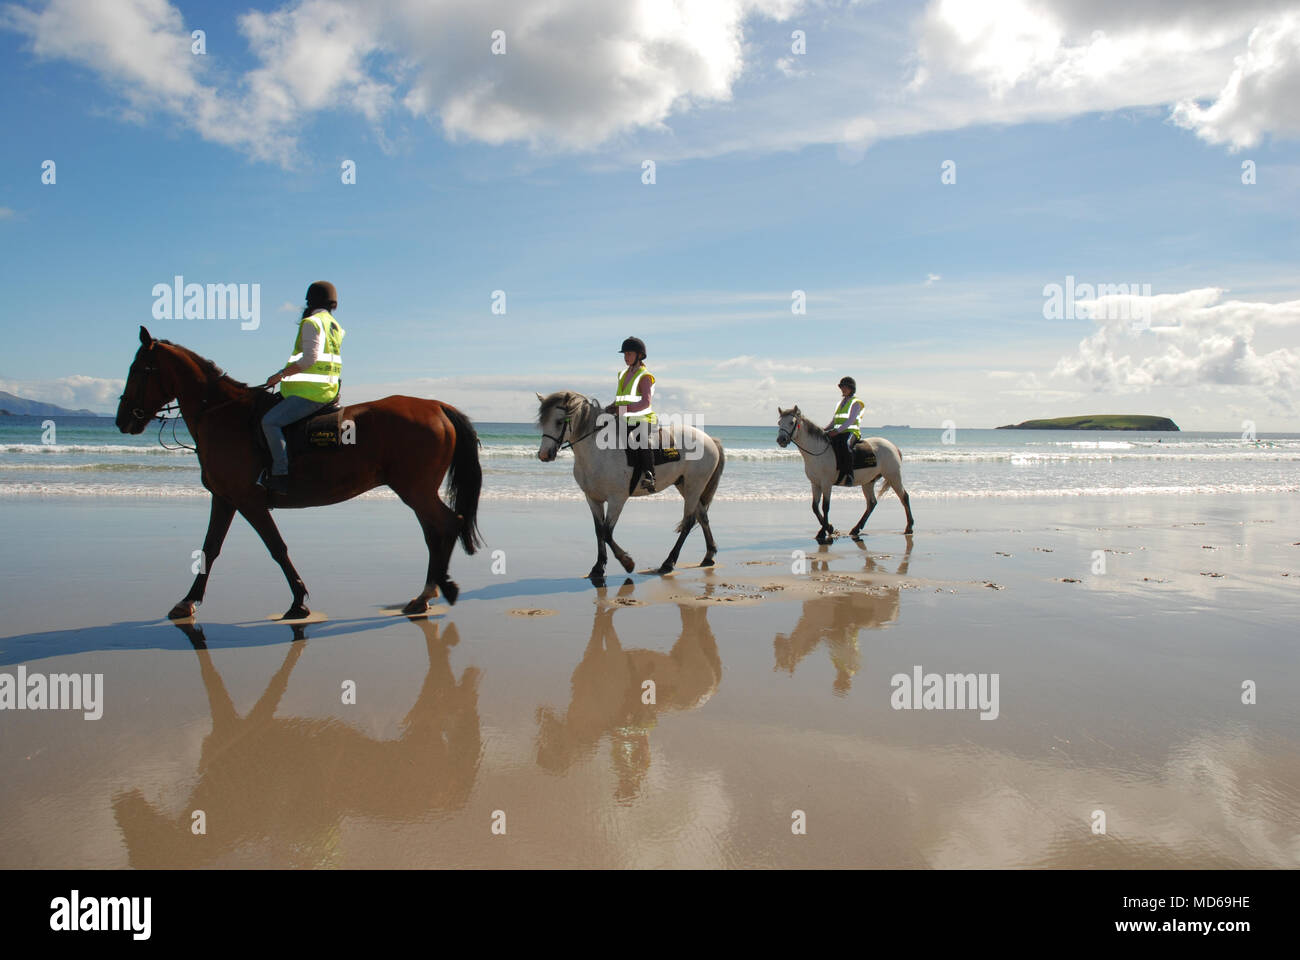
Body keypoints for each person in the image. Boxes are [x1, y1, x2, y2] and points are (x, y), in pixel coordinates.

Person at [257, 281, 345, 494]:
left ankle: (280, 475)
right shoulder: (335, 326)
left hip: (311, 394)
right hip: (329, 389)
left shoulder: (312, 323)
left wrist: (278, 376)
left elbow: (309, 361)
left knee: (269, 422)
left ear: (310, 301)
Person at [604, 336, 657, 493]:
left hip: (643, 418)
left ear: (639, 355)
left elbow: (645, 403)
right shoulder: (622, 374)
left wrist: (622, 410)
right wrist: (610, 407)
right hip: (622, 418)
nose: (626, 357)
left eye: (629, 354)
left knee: (640, 440)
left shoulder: (645, 376)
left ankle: (650, 475)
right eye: (625, 354)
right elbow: (620, 398)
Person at [825, 376, 864, 486]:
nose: (842, 389)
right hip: (840, 432)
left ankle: (850, 475)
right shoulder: (840, 403)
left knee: (845, 445)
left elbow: (851, 420)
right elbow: (834, 421)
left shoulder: (856, 403)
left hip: (852, 432)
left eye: (845, 387)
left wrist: (837, 431)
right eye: (842, 387)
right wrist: (824, 429)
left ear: (851, 388)